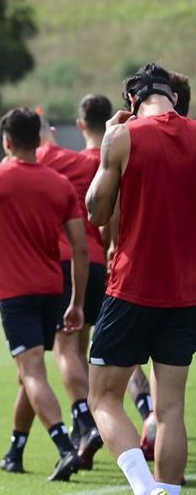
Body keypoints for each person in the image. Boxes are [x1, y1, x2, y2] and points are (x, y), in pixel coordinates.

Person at [0, 107, 87, 481]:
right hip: (53, 288)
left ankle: (64, 446)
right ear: (38, 140)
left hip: (16, 292)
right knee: (26, 375)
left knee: (32, 372)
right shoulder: (60, 184)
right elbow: (80, 248)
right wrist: (75, 300)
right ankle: (16, 449)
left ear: (7, 141)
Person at [85, 63, 196, 495]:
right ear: (172, 96)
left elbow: (96, 212)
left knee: (103, 398)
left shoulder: (123, 135)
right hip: (185, 292)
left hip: (132, 287)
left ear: (132, 101)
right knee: (170, 409)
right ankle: (166, 492)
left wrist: (107, 147)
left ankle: (145, 488)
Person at [29, 115, 105, 467]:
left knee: (63, 351)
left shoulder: (39, 161)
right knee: (82, 348)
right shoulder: (88, 160)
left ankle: (88, 422)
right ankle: (82, 430)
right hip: (97, 261)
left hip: (59, 262)